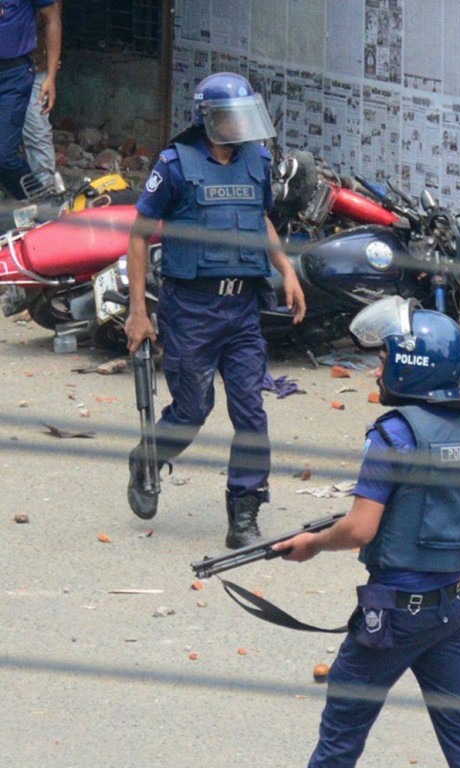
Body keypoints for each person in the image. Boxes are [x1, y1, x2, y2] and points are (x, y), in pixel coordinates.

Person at [273, 295, 460, 768]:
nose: (378, 371)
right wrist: (448, 510)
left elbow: (359, 529)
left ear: (411, 367)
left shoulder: (394, 434)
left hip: (395, 617)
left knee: (341, 732)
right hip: (449, 612)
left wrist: (311, 544)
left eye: (386, 360)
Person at [124, 72, 306, 549]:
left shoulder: (257, 160)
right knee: (192, 409)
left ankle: (244, 512)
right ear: (208, 118)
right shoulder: (176, 164)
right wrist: (138, 312)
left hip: (243, 308)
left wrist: (285, 268)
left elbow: (260, 218)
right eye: (231, 116)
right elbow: (140, 235)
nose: (241, 125)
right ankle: (149, 455)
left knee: (251, 412)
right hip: (191, 309)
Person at [0, 0, 61, 199]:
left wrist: (51, 76)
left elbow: (52, 17)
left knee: (4, 156)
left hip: (14, 73)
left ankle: (42, 203)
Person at [23, 0, 61, 175]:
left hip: (35, 64)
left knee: (36, 129)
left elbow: (52, 18)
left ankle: (46, 191)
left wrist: (51, 71)